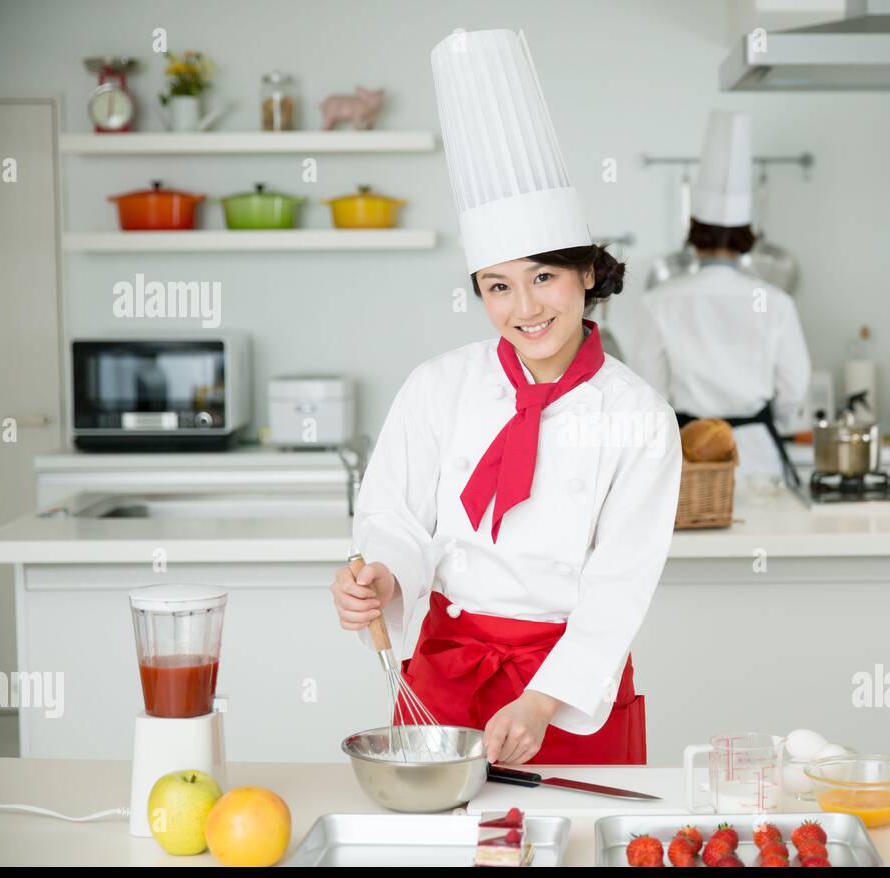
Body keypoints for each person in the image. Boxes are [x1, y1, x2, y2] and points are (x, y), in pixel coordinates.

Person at [330, 28, 681, 767]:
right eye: (498, 285)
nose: (525, 307)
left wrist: (545, 698)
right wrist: (381, 574)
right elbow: (393, 514)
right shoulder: (439, 386)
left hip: (568, 692)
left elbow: (620, 584)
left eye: (544, 276)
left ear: (588, 274)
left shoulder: (638, 417)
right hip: (443, 679)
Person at [636, 110, 811, 488]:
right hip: (759, 458)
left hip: (690, 453)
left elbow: (651, 389)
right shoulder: (776, 302)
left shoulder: (660, 301)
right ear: (748, 235)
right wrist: (765, 421)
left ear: (693, 233)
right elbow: (794, 386)